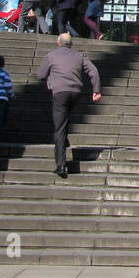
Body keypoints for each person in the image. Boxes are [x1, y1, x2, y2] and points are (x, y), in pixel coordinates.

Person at [36, 33, 101, 177]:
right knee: (64, 121)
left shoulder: (51, 55)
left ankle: (61, 165)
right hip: (76, 92)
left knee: (59, 127)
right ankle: (64, 140)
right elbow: (93, 71)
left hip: (59, 92)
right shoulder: (79, 55)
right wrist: (96, 90)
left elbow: (40, 75)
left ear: (58, 43)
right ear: (71, 44)